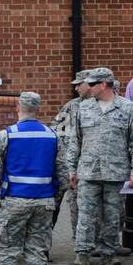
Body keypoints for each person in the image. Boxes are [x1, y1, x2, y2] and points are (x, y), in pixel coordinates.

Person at [0, 92, 66, 265]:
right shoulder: (53, 136)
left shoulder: (6, 136)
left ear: (17, 106)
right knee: (37, 250)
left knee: (6, 250)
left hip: (14, 201)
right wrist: (54, 199)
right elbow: (63, 175)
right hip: (44, 201)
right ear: (38, 108)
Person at [68, 67, 133, 265]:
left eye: (92, 84)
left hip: (115, 173)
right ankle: (83, 262)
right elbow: (75, 140)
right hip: (88, 172)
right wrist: (71, 169)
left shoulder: (128, 109)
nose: (88, 87)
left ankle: (107, 260)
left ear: (104, 84)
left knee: (113, 219)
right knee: (86, 218)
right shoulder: (83, 108)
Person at [52, 69, 92, 243]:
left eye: (79, 85)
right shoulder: (71, 106)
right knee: (56, 204)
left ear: (89, 84)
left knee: (88, 206)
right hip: (66, 164)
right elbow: (56, 129)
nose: (76, 89)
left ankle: (92, 242)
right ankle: (45, 243)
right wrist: (66, 147)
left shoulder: (102, 105)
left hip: (90, 165)